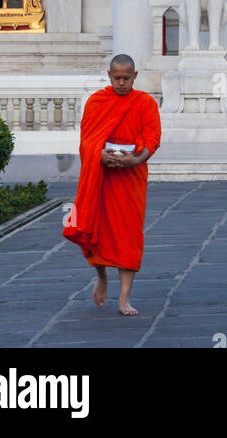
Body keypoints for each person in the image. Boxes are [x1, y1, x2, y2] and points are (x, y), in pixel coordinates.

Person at [63, 54, 161, 316]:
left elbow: (152, 138)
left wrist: (135, 159)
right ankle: (102, 276)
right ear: (109, 75)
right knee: (99, 231)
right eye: (116, 77)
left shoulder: (145, 103)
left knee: (129, 235)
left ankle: (124, 298)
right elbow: (86, 141)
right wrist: (100, 154)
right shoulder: (97, 101)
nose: (120, 82)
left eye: (126, 78)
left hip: (130, 179)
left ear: (135, 76)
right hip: (102, 178)